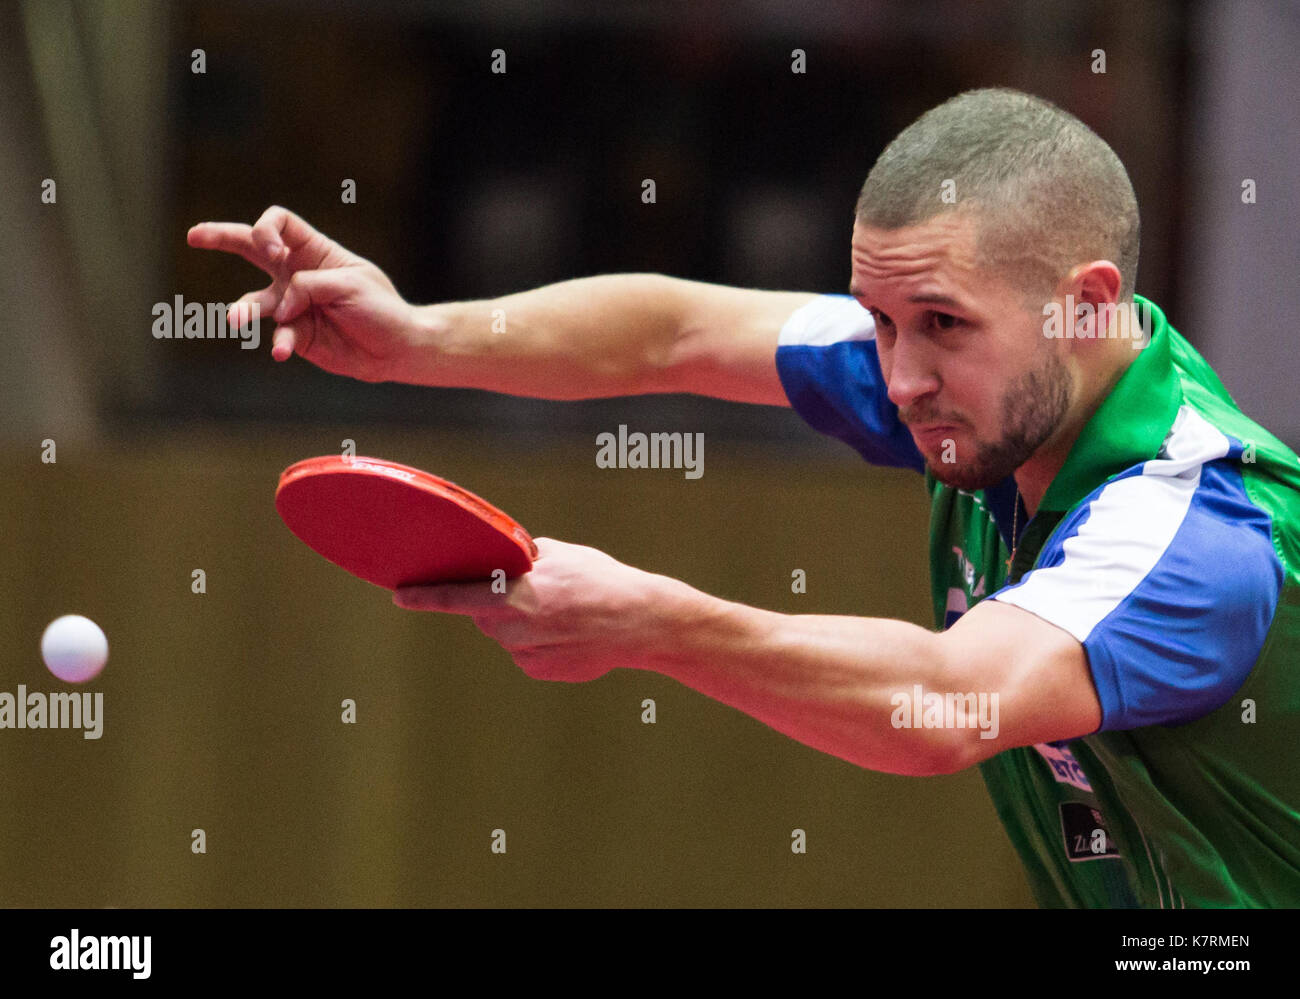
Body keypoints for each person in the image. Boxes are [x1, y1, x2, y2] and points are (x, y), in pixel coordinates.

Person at [189, 88, 1300, 908]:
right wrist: (420, 340)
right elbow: (677, 328)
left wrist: (655, 623)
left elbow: (950, 705)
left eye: (941, 326)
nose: (898, 377)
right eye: (877, 321)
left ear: (1085, 306)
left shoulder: (1194, 528)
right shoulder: (981, 384)